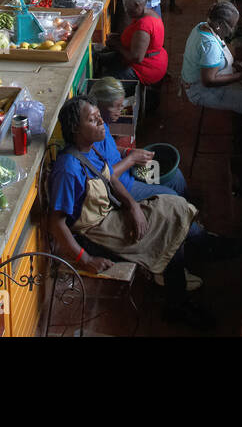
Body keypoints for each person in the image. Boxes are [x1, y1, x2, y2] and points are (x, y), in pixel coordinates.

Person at [47, 96, 211, 327]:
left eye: (99, 118)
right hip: (94, 234)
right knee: (168, 232)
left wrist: (133, 206)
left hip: (111, 213)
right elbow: (57, 224)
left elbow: (111, 178)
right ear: (76, 129)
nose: (101, 123)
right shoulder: (68, 170)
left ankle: (182, 283)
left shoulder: (91, 149)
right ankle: (177, 304)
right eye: (93, 120)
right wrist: (86, 259)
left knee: (173, 207)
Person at [182, 2, 242, 127]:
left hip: (198, 81)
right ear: (219, 24)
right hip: (200, 90)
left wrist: (235, 66)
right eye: (231, 27)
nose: (232, 31)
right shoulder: (209, 45)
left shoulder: (203, 26)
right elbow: (208, 81)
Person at [99, 0, 169, 85]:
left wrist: (117, 45)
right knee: (100, 59)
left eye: (127, 8)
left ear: (137, 5)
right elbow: (136, 38)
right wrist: (120, 37)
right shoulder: (147, 13)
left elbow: (136, 58)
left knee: (104, 84)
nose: (126, 11)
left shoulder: (144, 25)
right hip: (146, 59)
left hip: (146, 68)